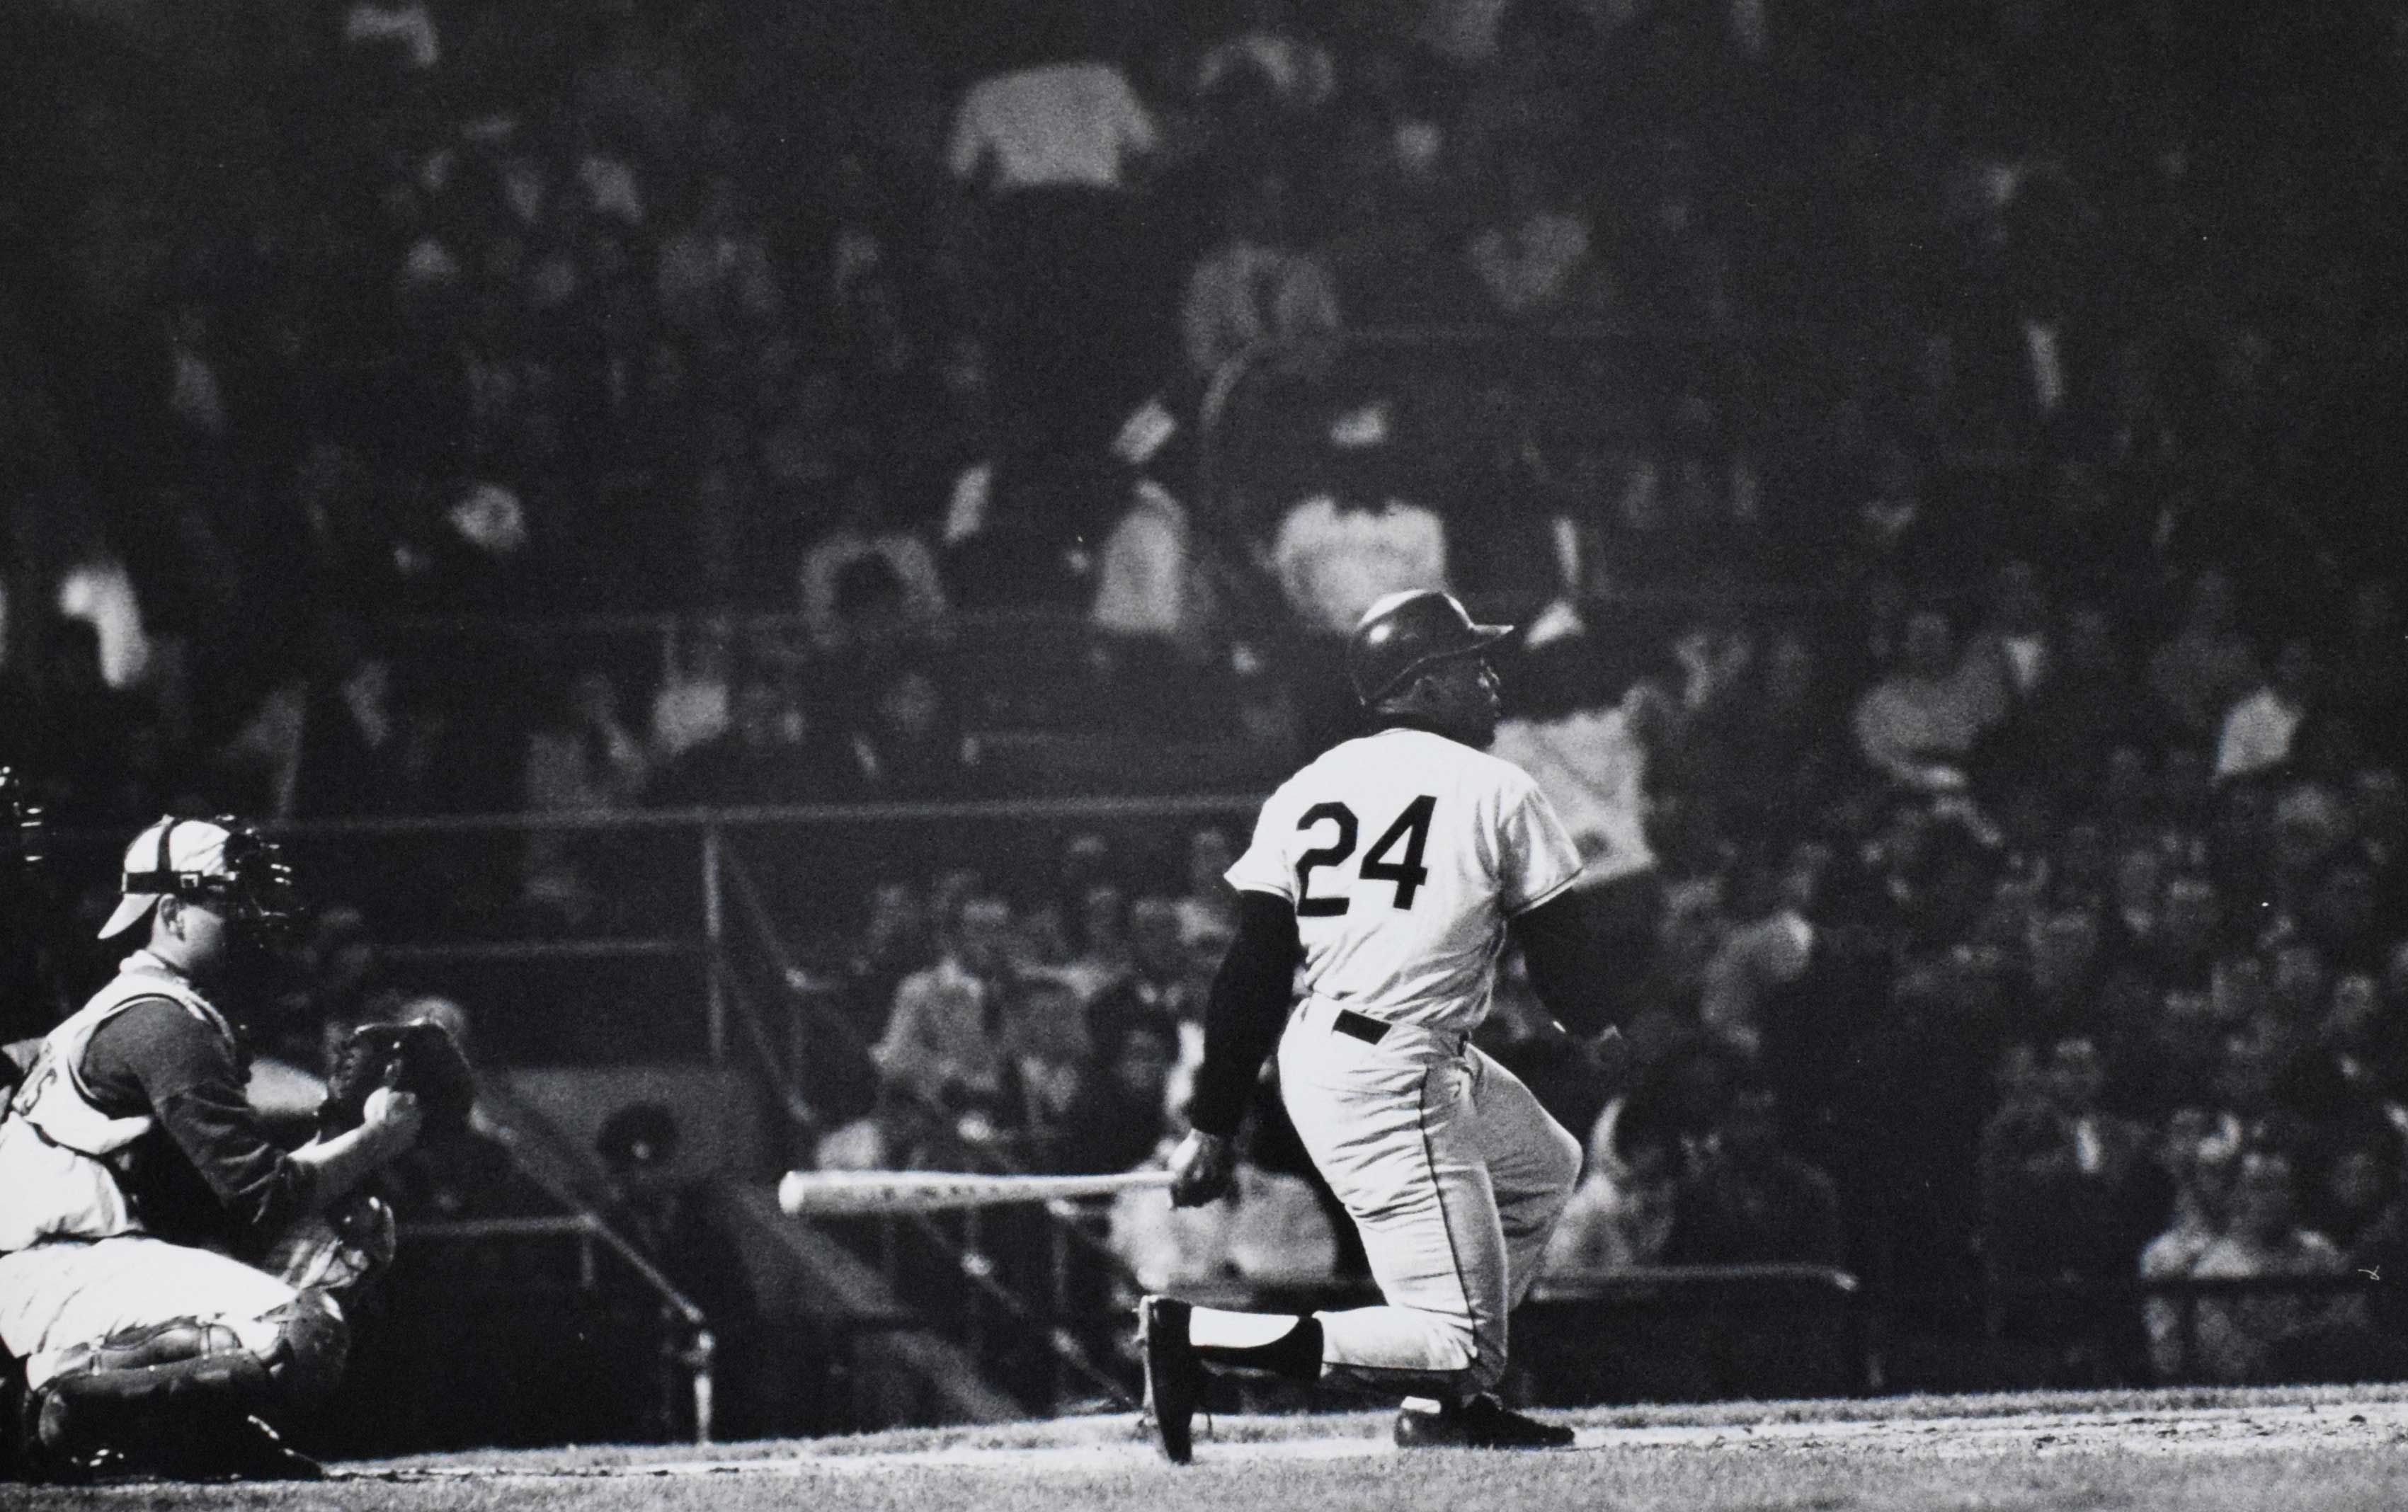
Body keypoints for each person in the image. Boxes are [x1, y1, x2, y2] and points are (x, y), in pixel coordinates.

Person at [1137, 590, 1622, 1460]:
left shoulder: (1307, 786)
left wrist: (1211, 1123)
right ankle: (1199, 1340)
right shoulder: (1498, 786)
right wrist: (1594, 1024)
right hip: (1392, 1069)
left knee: (1543, 1164)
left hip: (1343, 1051)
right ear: (1424, 684)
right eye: (1469, 666)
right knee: (1459, 1341)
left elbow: (1250, 973)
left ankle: (1446, 1408)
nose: (1490, 680)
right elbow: (1562, 953)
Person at [0, 817, 426, 1481]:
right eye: (232, 900)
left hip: (104, 1258)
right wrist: (375, 1139)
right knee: (298, 1336)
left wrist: (336, 1135)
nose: (256, 920)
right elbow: (262, 1198)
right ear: (170, 912)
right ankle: (53, 1401)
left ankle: (200, 1431)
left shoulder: (160, 1008)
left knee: (352, 1227)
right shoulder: (160, 1019)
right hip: (59, 1268)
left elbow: (215, 1200)